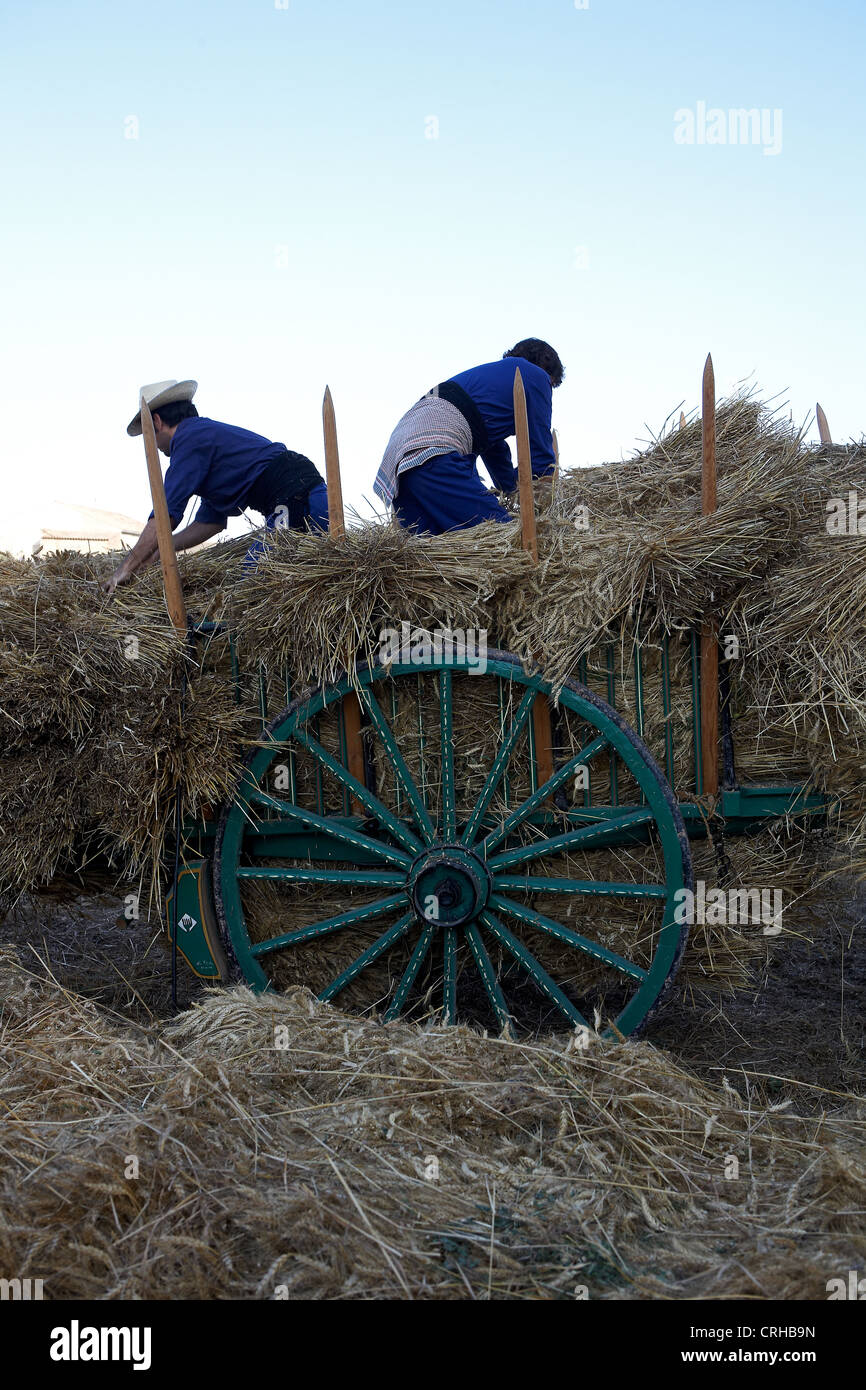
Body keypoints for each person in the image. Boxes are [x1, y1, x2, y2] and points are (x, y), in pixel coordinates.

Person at [105, 379, 328, 593]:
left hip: (298, 496)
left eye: (147, 436)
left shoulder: (189, 438)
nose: (151, 446)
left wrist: (124, 569)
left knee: (254, 582)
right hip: (302, 495)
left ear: (156, 422)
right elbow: (209, 523)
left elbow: (165, 516)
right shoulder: (204, 440)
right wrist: (160, 552)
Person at [373, 339, 564, 535]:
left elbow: (498, 459)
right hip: (435, 454)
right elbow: (540, 456)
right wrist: (548, 499)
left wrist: (511, 488)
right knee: (507, 538)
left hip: (399, 465)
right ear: (546, 369)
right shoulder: (535, 375)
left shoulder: (483, 384)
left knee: (435, 554)